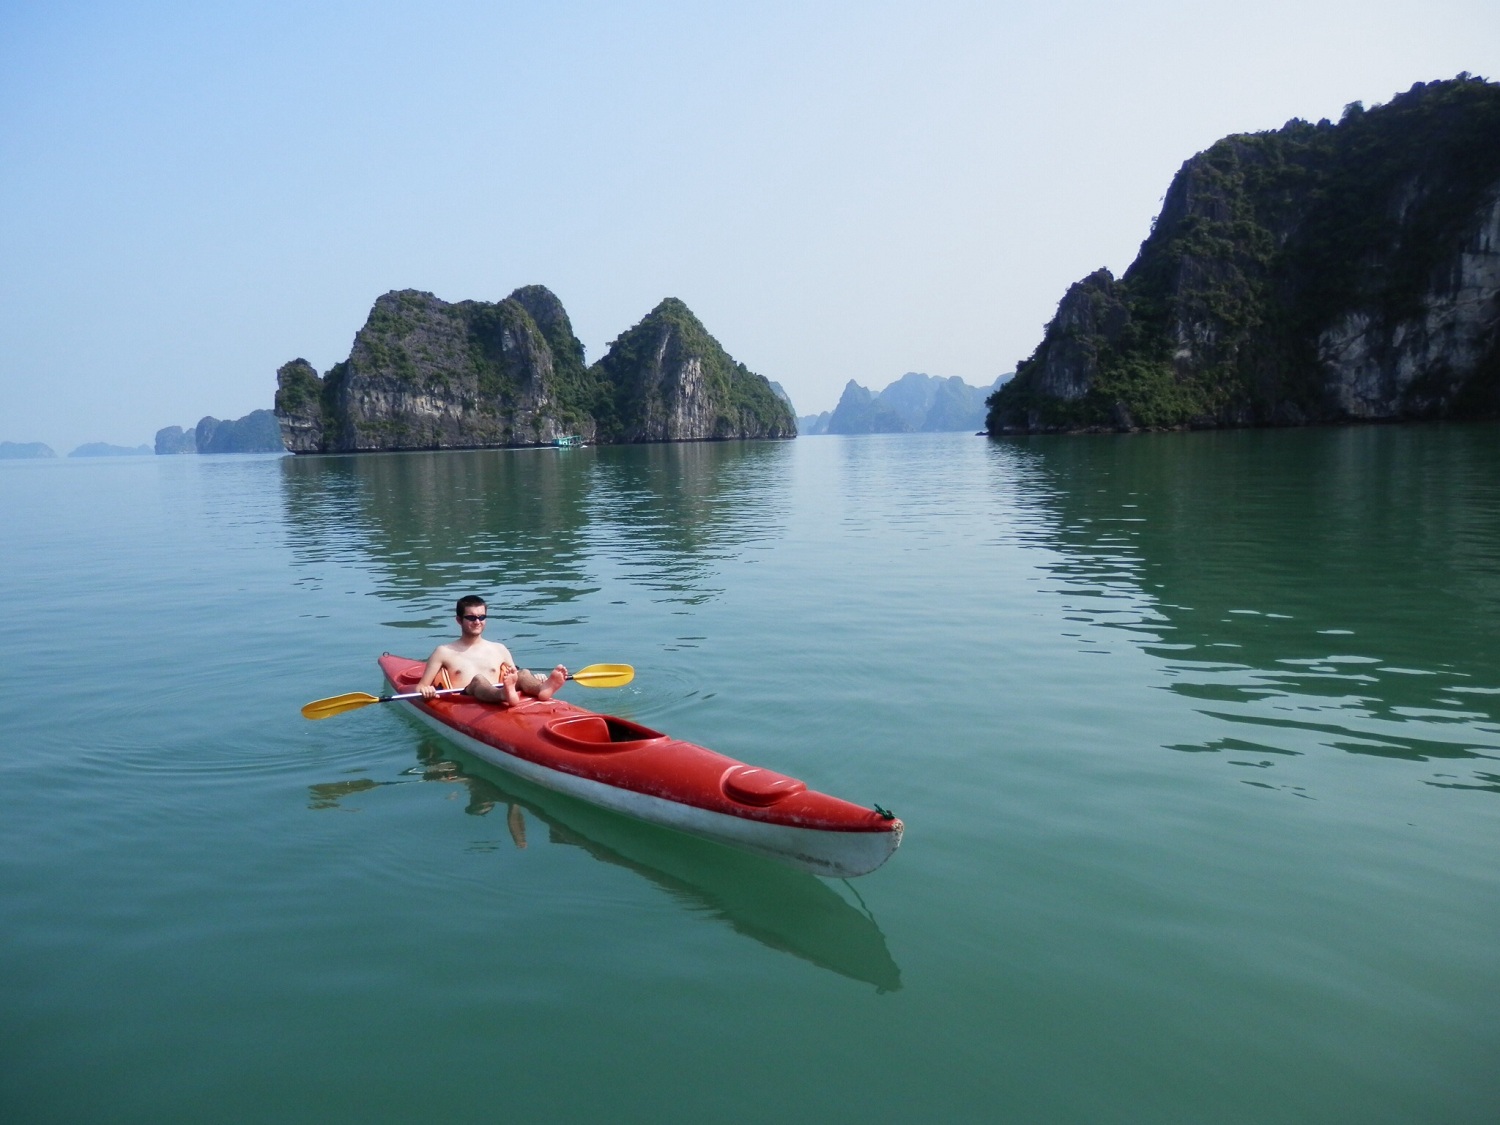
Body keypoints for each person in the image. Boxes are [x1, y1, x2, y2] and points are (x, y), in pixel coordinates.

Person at [415, 595, 567, 706]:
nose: (477, 622)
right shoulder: (444, 652)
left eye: (481, 617)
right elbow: (420, 687)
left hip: (505, 694)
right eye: (471, 618)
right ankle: (504, 695)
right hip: (468, 699)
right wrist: (426, 691)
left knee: (524, 673)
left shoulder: (499, 649)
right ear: (459, 620)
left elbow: (513, 676)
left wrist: (535, 678)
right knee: (478, 680)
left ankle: (542, 689)